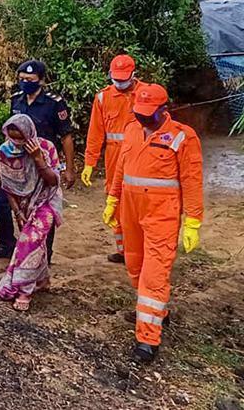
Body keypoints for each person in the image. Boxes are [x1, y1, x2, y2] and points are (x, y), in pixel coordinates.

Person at [104, 84, 203, 364]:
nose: (142, 118)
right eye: (139, 112)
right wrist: (113, 199)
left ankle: (147, 339)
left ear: (164, 110)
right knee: (134, 265)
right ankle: (156, 312)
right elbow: (122, 168)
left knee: (153, 274)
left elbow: (192, 181)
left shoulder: (183, 137)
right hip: (131, 210)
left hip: (162, 214)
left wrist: (193, 220)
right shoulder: (133, 129)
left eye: (148, 114)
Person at [0, 60, 74, 263]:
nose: (25, 83)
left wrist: (69, 169)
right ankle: (7, 243)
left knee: (43, 209)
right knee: (2, 202)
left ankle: (45, 252)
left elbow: (66, 136)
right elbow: (10, 132)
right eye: (22, 79)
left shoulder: (54, 103)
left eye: (30, 80)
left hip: (42, 163)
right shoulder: (17, 99)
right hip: (17, 164)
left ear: (41, 80)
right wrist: (1, 161)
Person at [81, 54, 147, 264]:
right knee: (115, 198)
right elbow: (95, 132)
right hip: (114, 156)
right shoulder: (103, 97)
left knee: (139, 201)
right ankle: (123, 249)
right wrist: (90, 163)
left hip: (140, 155)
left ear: (134, 74)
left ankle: (143, 250)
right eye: (115, 78)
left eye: (123, 78)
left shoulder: (145, 94)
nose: (119, 83)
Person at [0, 115, 63, 311]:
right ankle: (41, 279)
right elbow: (7, 185)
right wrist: (17, 211)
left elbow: (53, 181)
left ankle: (24, 289)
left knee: (29, 241)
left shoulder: (46, 147)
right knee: (35, 244)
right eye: (13, 138)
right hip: (22, 203)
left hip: (45, 200)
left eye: (21, 139)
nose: (17, 143)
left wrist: (38, 158)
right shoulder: (5, 151)